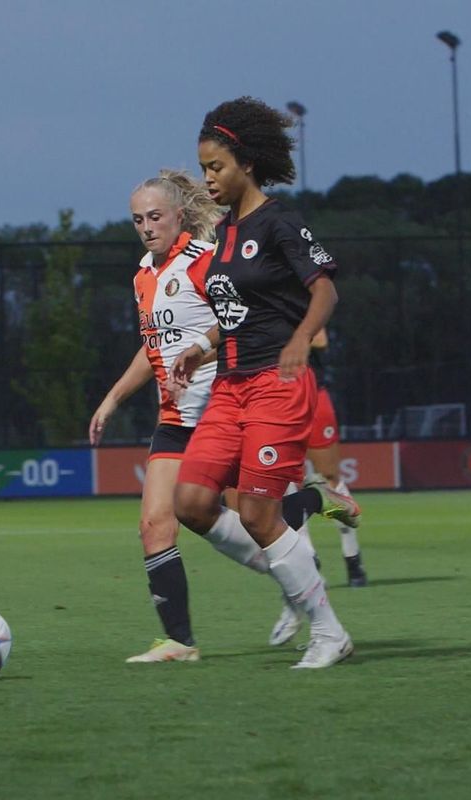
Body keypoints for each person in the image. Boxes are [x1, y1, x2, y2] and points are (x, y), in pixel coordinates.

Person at [89, 169, 353, 663]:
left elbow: (243, 324)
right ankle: (180, 641)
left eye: (155, 216)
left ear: (179, 216)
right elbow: (153, 351)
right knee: (156, 522)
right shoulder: (143, 274)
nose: (146, 227)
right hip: (175, 416)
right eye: (137, 220)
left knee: (255, 516)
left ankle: (308, 531)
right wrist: (112, 400)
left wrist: (201, 354)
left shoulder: (206, 262)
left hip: (225, 406)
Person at [171, 97, 357, 669]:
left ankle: (328, 632)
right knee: (192, 503)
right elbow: (233, 315)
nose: (207, 179)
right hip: (230, 384)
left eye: (216, 167)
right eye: (203, 168)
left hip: (278, 381)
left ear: (246, 163)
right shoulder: (224, 236)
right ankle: (292, 569)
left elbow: (324, 288)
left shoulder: (281, 221)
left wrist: (301, 339)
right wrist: (201, 348)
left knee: (256, 513)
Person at [306, 328, 368, 587]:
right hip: (273, 400)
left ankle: (352, 558)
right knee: (285, 485)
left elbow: (320, 340)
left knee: (329, 479)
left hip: (313, 397)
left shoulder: (304, 301)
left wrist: (279, 333)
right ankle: (308, 561)